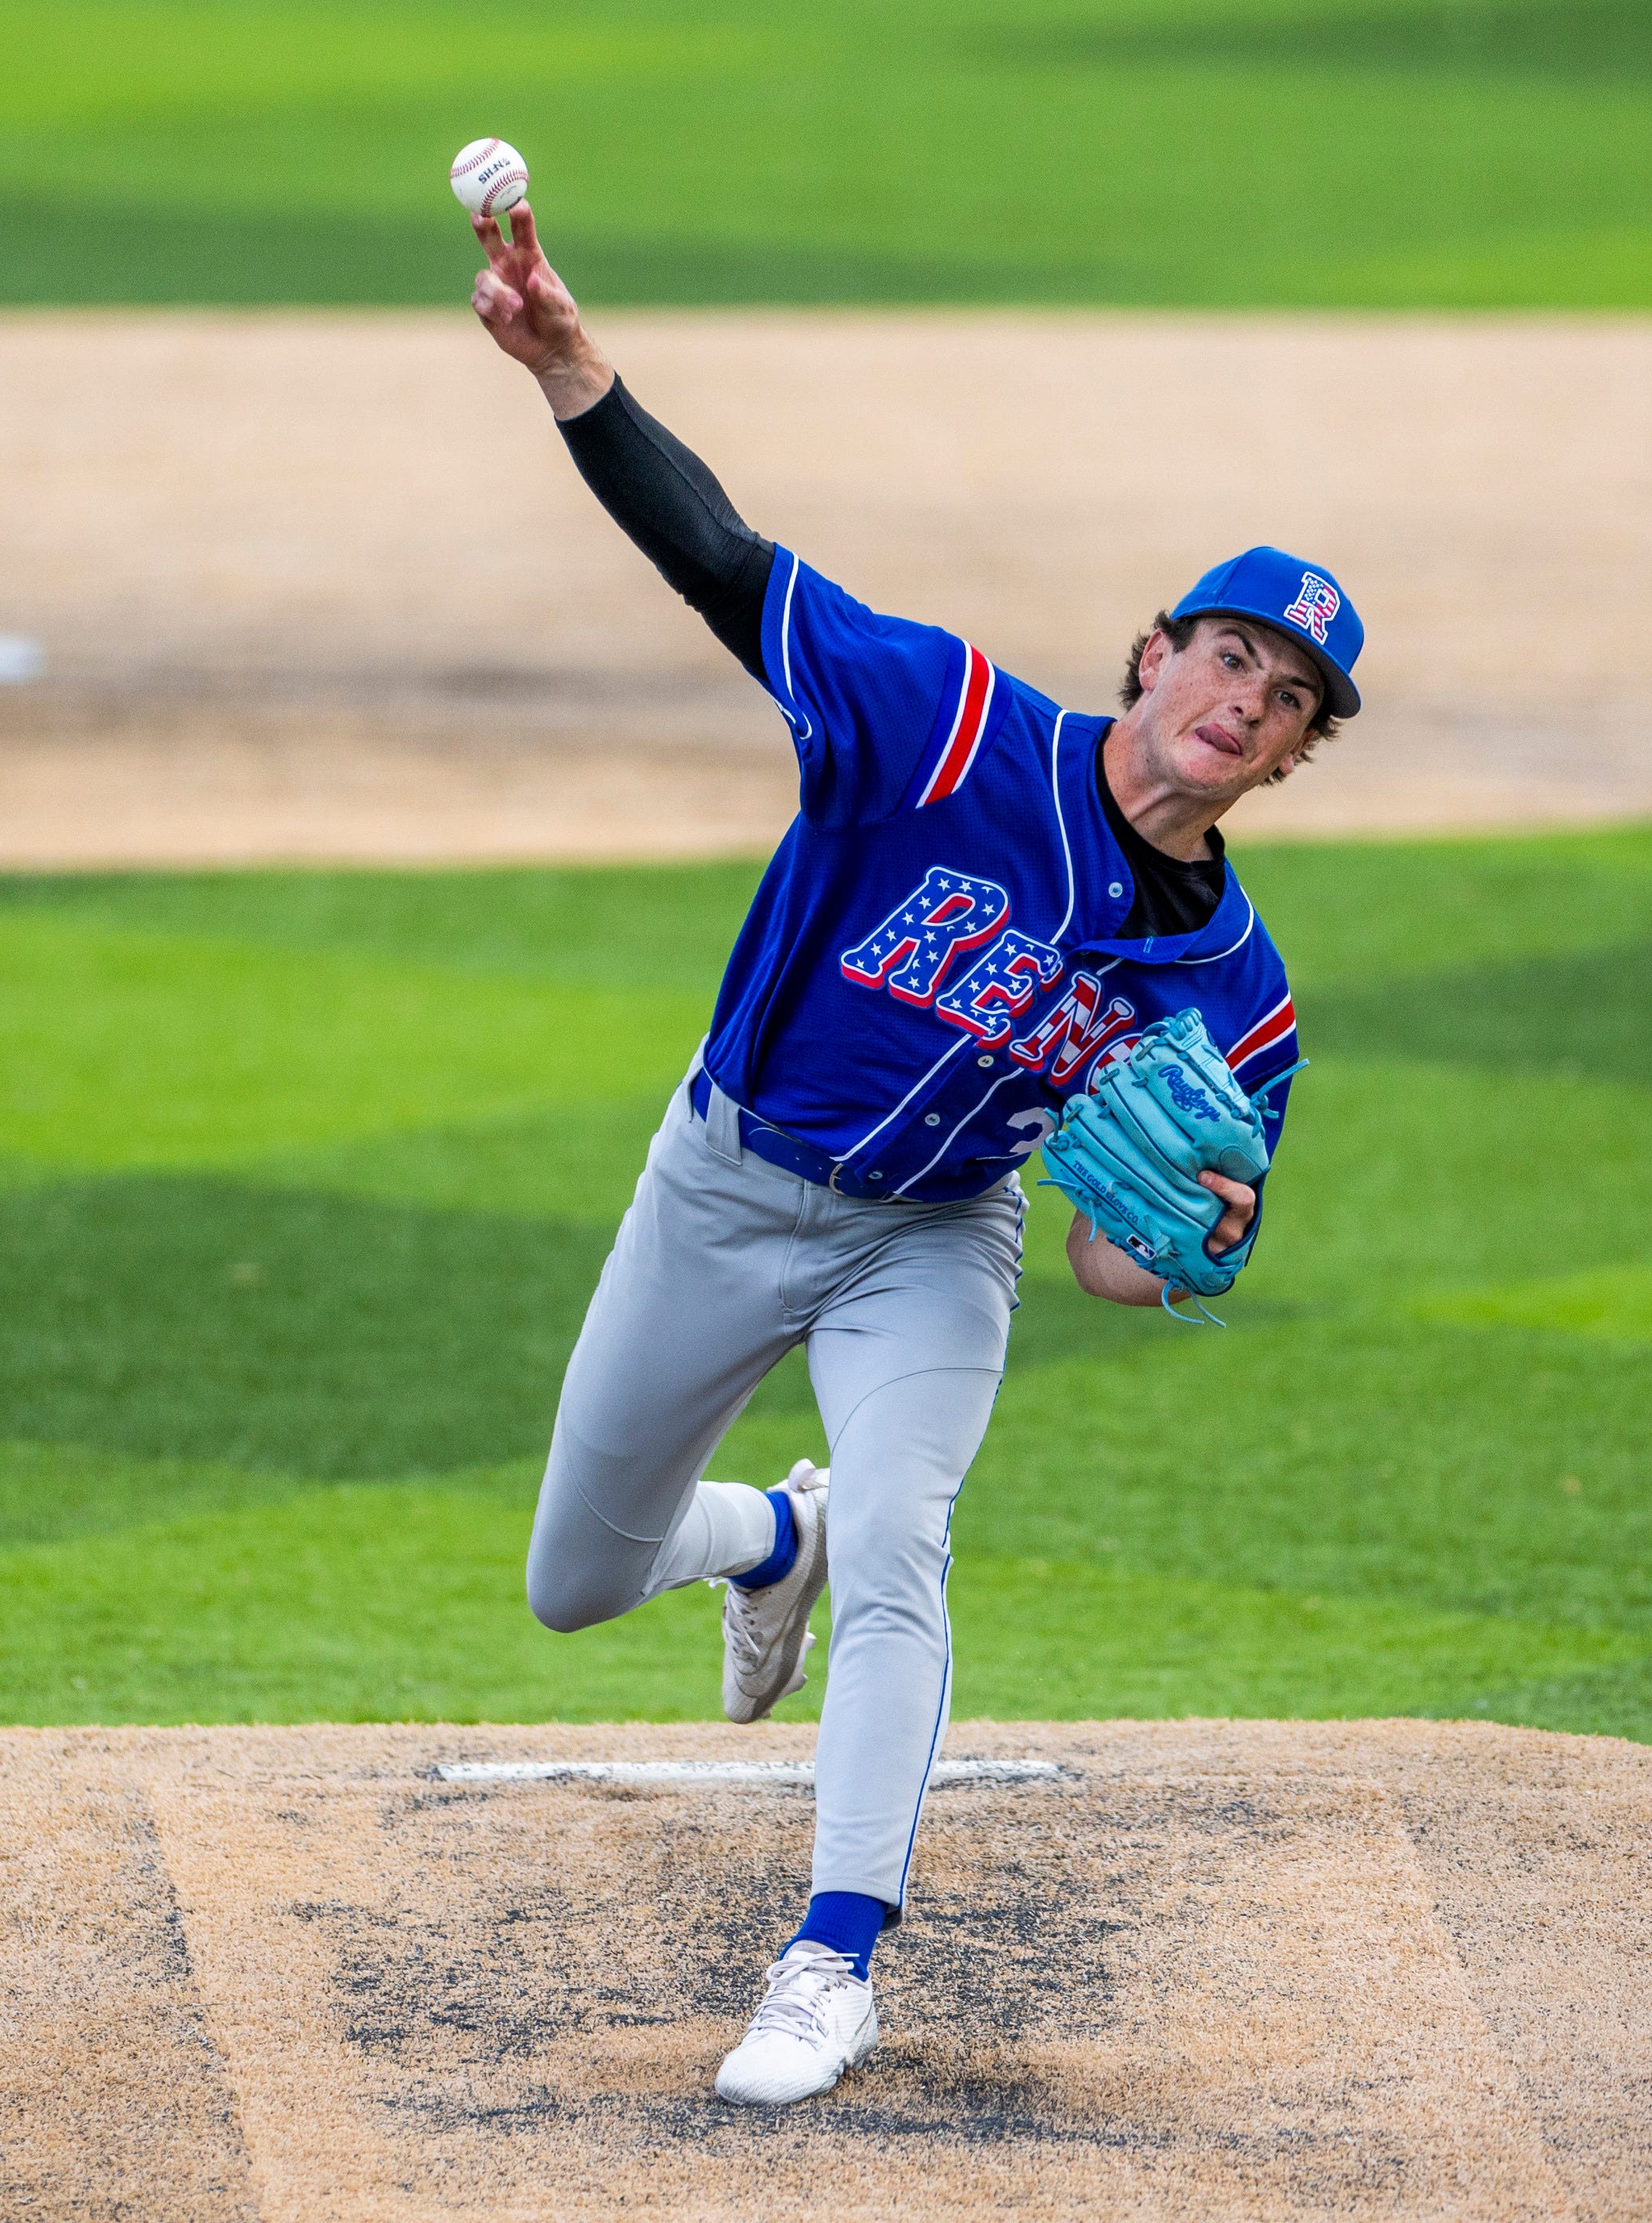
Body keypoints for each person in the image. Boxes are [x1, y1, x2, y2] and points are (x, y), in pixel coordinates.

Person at [469, 202, 1363, 2108]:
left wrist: (1207, 1236)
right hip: (717, 1183)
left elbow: (1129, 1265)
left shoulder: (1238, 995)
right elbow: (723, 563)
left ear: (1289, 756)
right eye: (1227, 656)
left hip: (929, 1245)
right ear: (1152, 650)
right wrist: (568, 368)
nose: (1242, 702)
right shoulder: (940, 720)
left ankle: (830, 1956)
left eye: (1283, 702)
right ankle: (761, 1534)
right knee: (572, 1574)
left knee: (906, 1537)